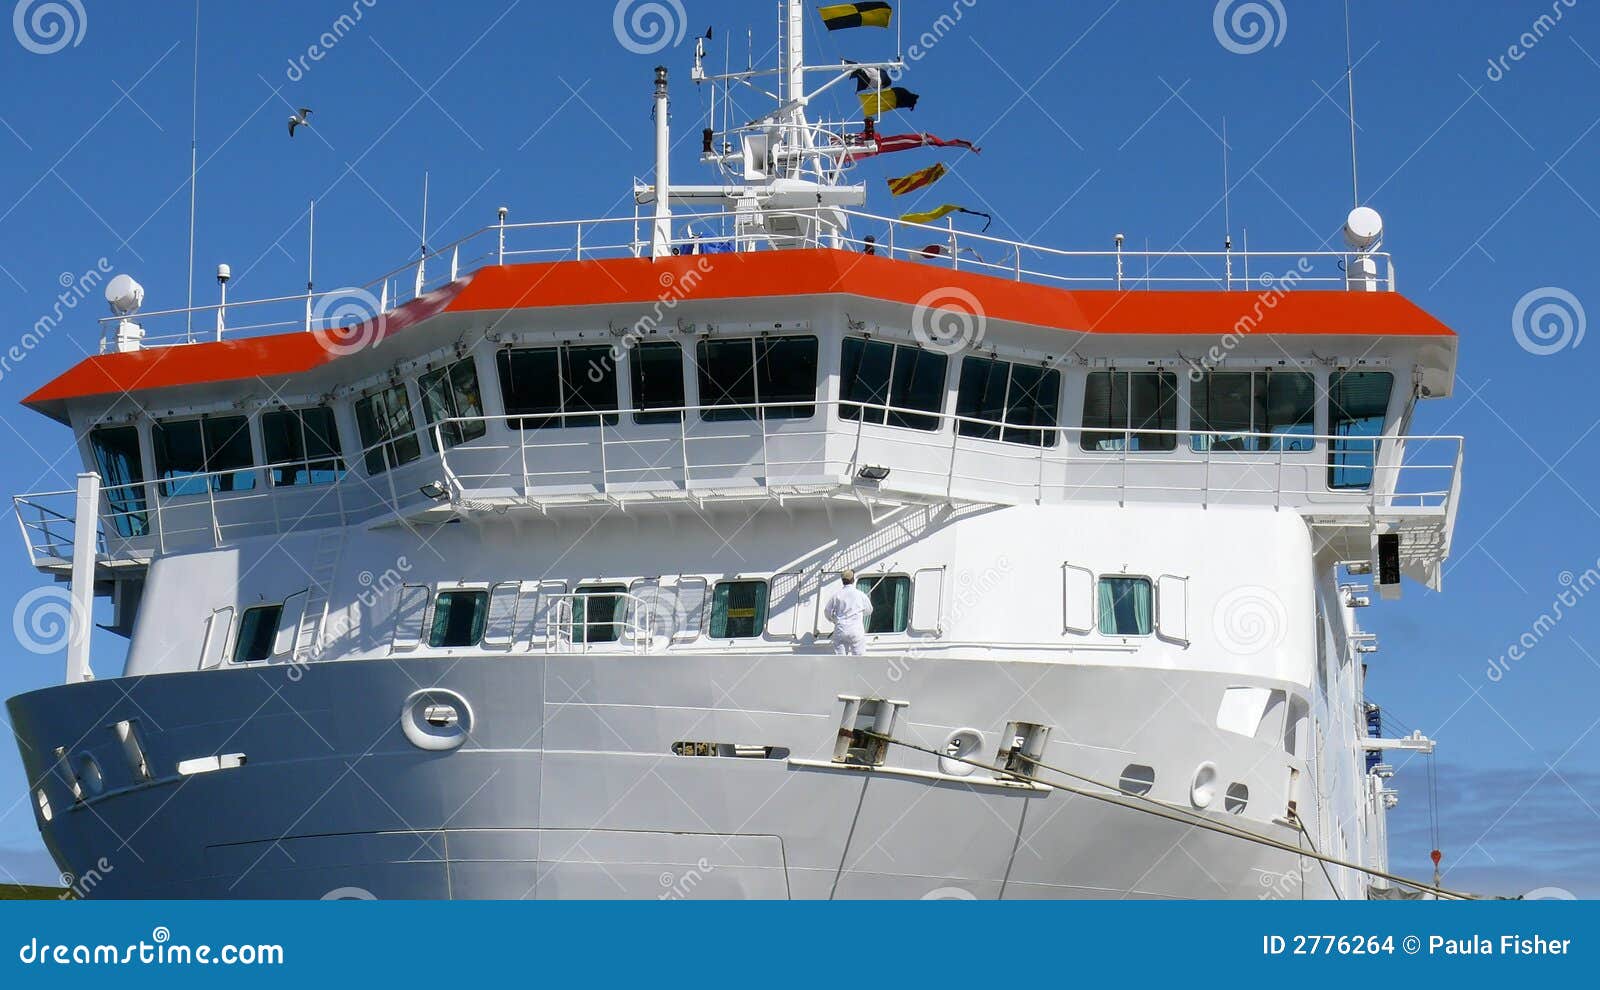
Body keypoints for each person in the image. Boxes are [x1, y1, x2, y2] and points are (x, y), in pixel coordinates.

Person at [824, 569, 874, 656]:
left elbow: (827, 611)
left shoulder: (836, 595)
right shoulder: (860, 594)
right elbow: (869, 610)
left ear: (842, 580)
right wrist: (861, 613)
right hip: (856, 630)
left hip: (840, 629)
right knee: (858, 658)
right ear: (853, 579)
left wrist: (834, 620)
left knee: (840, 659)